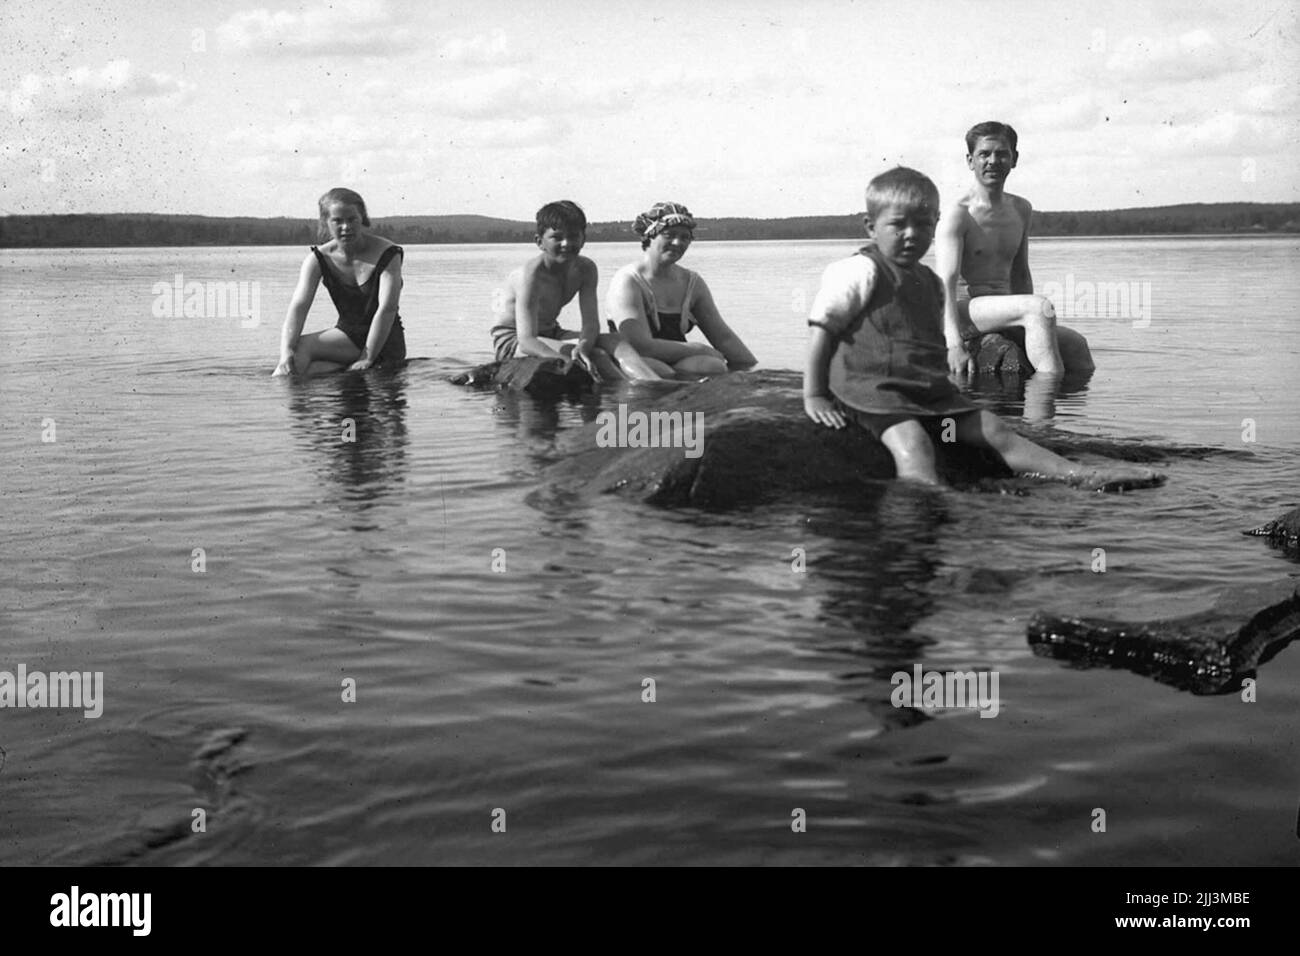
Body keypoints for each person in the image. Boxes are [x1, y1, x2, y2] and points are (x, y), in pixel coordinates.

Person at [804, 167, 1159, 491]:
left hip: (921, 391)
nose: (912, 235)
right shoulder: (858, 272)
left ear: (936, 223)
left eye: (924, 224)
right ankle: (926, 507)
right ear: (870, 226)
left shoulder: (926, 280)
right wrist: (815, 394)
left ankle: (1079, 475)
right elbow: (822, 329)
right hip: (871, 392)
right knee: (914, 445)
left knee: (996, 430)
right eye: (898, 225)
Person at [934, 121, 1094, 378]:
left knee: (1076, 344)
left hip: (1004, 311)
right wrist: (953, 344)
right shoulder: (958, 214)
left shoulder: (1021, 208)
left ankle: (1072, 414)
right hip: (965, 311)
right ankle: (1042, 414)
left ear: (1014, 158)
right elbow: (946, 284)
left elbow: (1021, 274)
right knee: (1039, 308)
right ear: (970, 160)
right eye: (984, 154)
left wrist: (1027, 328)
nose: (993, 161)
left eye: (1001, 153)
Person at [490, 200, 662, 382]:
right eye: (557, 237)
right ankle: (630, 391)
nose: (566, 243)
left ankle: (654, 383)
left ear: (583, 239)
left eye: (573, 236)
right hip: (513, 341)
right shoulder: (530, 276)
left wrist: (583, 346)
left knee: (615, 340)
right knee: (598, 356)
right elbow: (527, 341)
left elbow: (591, 324)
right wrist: (569, 360)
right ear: (540, 242)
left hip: (552, 332)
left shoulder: (586, 269)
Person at [605, 202, 757, 379]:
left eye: (685, 237)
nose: (678, 243)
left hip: (677, 362)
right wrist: (699, 348)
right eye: (669, 235)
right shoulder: (628, 280)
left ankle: (685, 398)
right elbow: (639, 345)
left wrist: (756, 375)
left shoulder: (692, 282)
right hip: (636, 362)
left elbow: (724, 339)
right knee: (660, 369)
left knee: (712, 366)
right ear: (650, 236)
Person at [273, 187, 406, 377]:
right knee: (296, 354)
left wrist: (366, 358)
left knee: (305, 366)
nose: (346, 227)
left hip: (385, 340)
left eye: (352, 219)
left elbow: (387, 309)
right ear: (326, 223)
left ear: (363, 218)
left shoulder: (388, 253)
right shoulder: (317, 259)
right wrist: (285, 354)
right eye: (337, 221)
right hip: (346, 337)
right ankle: (284, 398)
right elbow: (298, 307)